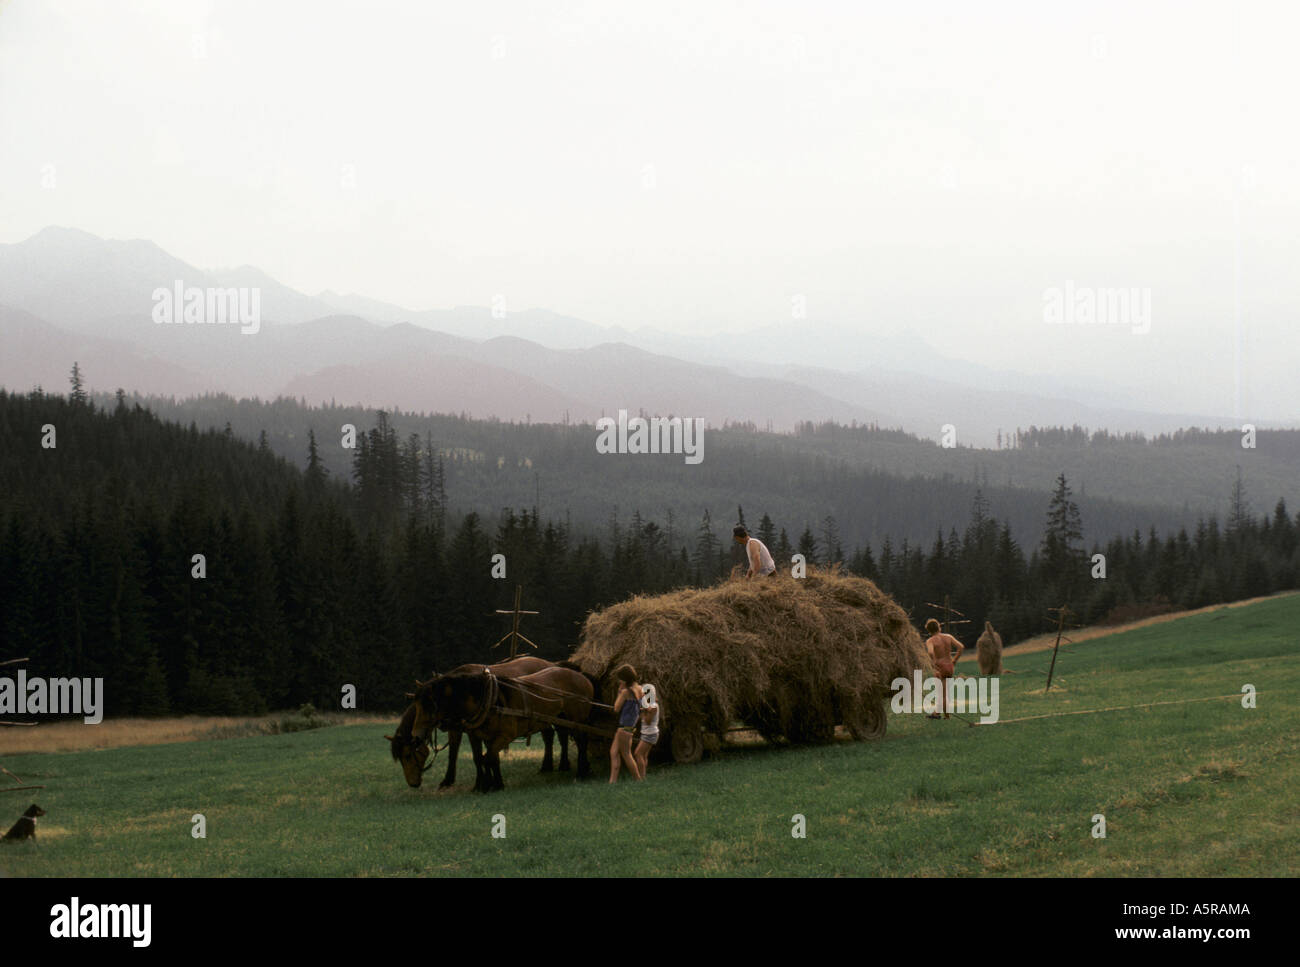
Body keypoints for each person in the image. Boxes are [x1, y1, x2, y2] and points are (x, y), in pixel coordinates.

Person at [609, 664, 644, 782]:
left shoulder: (625, 692)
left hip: (624, 727)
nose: (619, 681)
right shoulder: (640, 689)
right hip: (630, 725)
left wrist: (619, 692)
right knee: (613, 752)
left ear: (624, 679)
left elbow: (616, 708)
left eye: (620, 679)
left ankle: (638, 780)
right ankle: (612, 781)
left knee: (626, 754)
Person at [924, 618, 964, 719]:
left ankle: (946, 716)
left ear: (929, 630)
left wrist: (934, 663)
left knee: (942, 694)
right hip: (949, 665)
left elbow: (930, 652)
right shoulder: (948, 637)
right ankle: (936, 713)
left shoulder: (930, 641)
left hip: (940, 667)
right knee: (944, 692)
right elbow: (961, 647)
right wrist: (954, 660)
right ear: (939, 627)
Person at [634, 682, 660, 777]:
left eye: (644, 693)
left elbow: (648, 721)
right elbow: (642, 718)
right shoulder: (648, 705)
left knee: (638, 754)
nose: (642, 695)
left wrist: (643, 710)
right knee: (644, 756)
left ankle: (641, 777)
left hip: (650, 734)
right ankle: (643, 776)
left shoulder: (653, 706)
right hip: (647, 733)